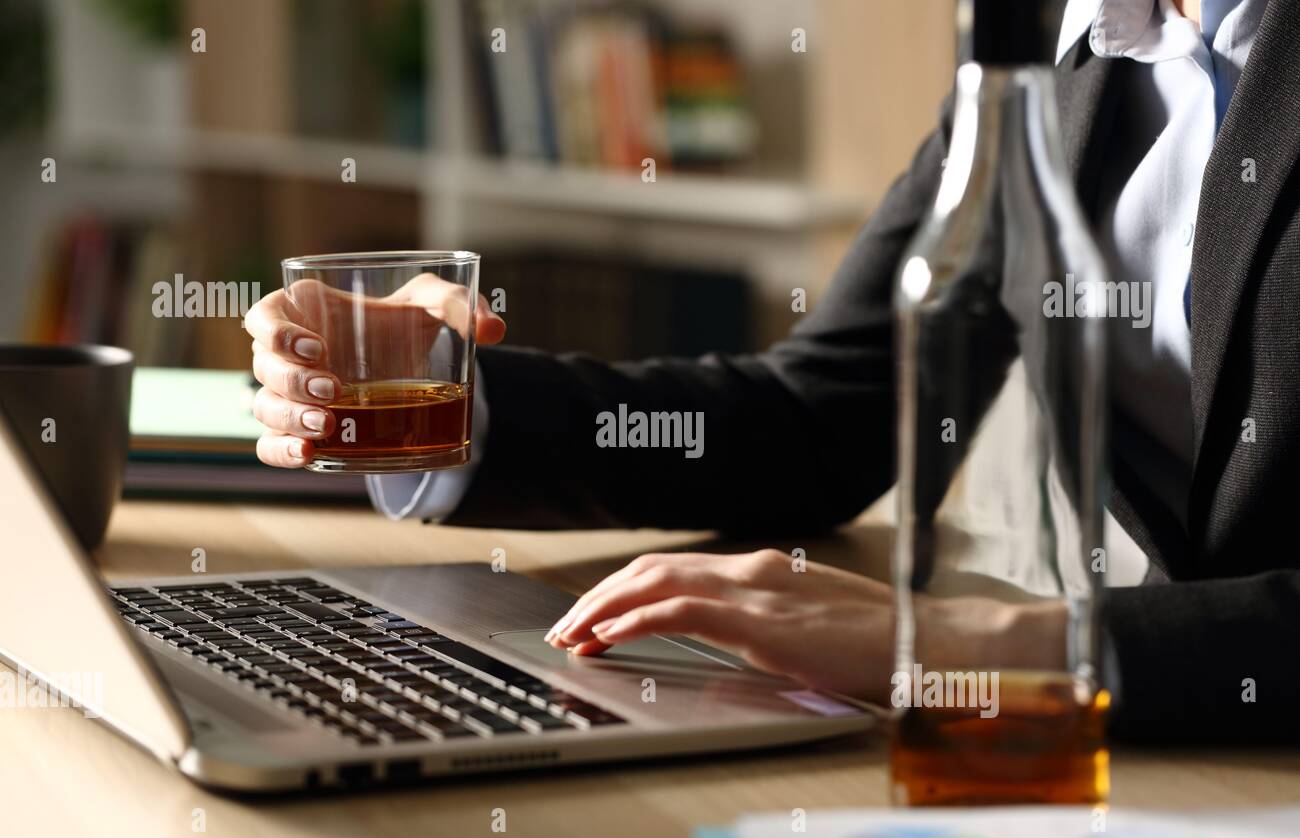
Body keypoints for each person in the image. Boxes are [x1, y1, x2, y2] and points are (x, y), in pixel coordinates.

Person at [244, 0, 1299, 745]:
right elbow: (818, 417)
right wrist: (461, 404)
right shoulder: (1049, 40)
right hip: (1184, 754)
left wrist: (968, 640)